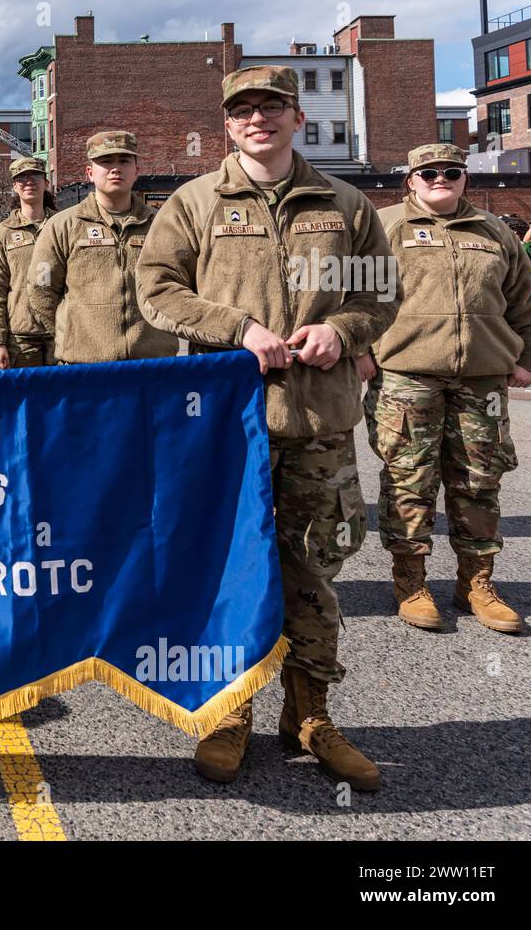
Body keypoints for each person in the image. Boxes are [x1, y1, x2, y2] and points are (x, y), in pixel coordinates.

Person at [136, 66, 399, 791]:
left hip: (319, 421)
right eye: (243, 110)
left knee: (312, 571)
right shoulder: (193, 203)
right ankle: (231, 710)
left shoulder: (345, 203)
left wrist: (344, 331)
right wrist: (237, 328)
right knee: (231, 571)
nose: (258, 119)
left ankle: (310, 713)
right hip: (228, 425)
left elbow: (382, 292)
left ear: (296, 117)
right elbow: (156, 290)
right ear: (227, 124)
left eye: (272, 107)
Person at [362, 143, 531, 634]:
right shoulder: (384, 225)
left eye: (451, 171)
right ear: (411, 179)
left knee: (480, 480)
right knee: (409, 479)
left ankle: (476, 582)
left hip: (482, 375)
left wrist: (529, 358)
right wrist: (360, 350)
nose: (440, 178)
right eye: (428, 172)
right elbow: (351, 293)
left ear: (465, 178)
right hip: (405, 372)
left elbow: (523, 299)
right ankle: (411, 580)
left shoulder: (494, 232)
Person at [28, 132, 177, 366]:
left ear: (136, 170)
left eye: (124, 161)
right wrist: (73, 335)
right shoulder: (64, 225)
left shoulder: (161, 225)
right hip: (83, 367)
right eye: (106, 161)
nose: (115, 169)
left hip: (151, 364)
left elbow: (177, 285)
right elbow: (41, 289)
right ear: (90, 172)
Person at [0, 157, 57, 369]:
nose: (29, 182)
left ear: (46, 182)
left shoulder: (63, 226)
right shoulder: (3, 234)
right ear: (15, 186)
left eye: (35, 176)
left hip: (60, 333)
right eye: (21, 178)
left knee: (62, 401)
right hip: (21, 339)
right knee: (27, 401)